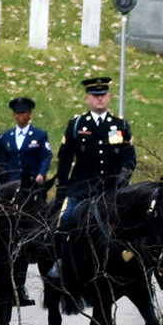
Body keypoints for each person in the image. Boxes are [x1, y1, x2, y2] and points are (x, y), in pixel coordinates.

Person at [54, 76, 136, 225]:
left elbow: (129, 156)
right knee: (65, 220)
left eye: (103, 95)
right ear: (87, 98)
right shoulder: (77, 125)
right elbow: (65, 158)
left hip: (112, 188)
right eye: (95, 95)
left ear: (109, 98)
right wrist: (62, 188)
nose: (99, 99)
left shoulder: (119, 126)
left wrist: (123, 177)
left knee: (130, 225)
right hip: (82, 188)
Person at [0, 96, 52, 189]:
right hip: (11, 183)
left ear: (29, 113)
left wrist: (41, 174)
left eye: (23, 113)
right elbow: (3, 159)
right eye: (18, 113)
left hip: (32, 182)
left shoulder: (39, 135)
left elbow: (46, 156)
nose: (20, 116)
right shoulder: (6, 136)